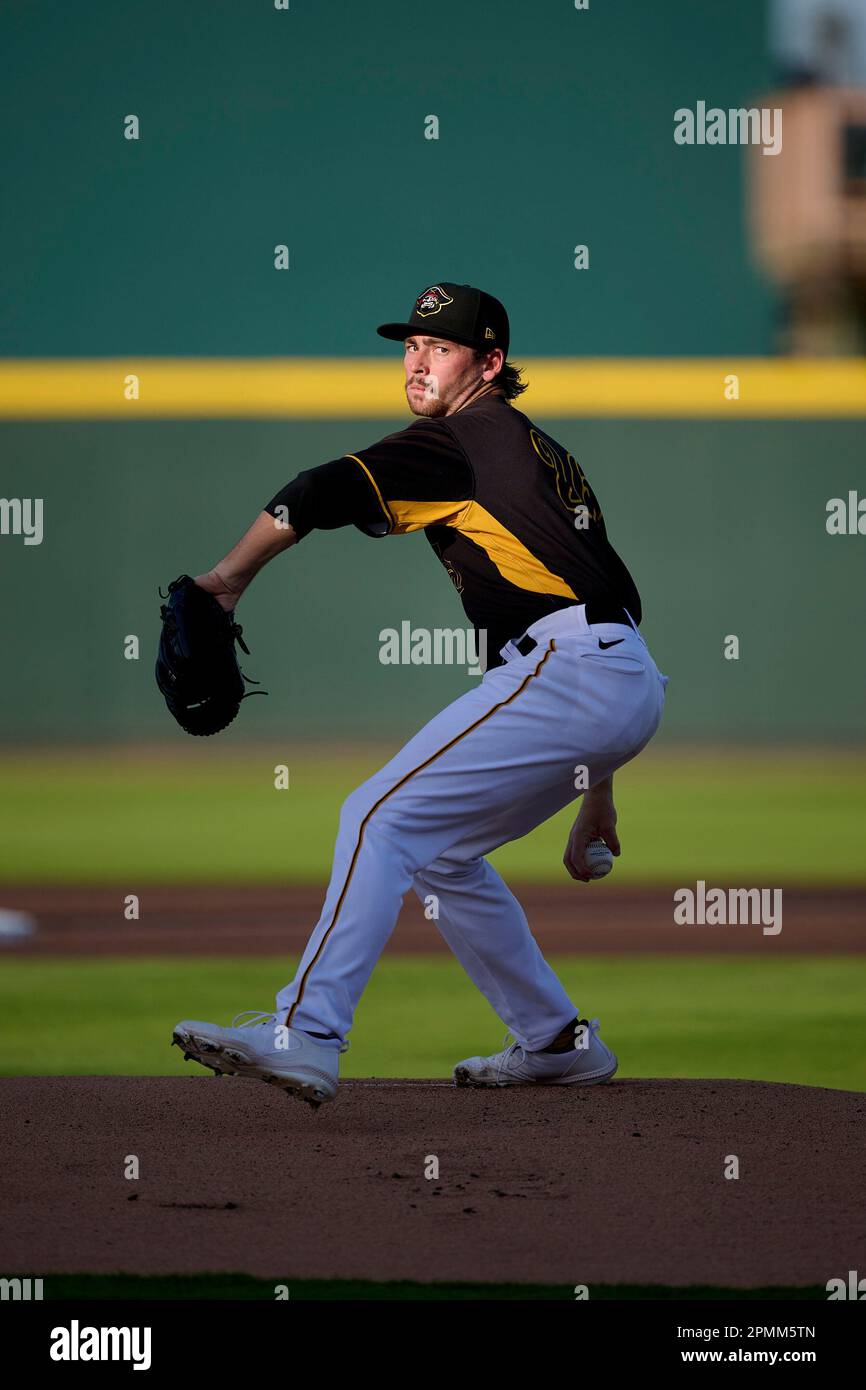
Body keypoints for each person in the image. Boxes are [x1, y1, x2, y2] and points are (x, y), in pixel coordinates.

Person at [172, 281, 669, 1107]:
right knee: (439, 851)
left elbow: (316, 489)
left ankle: (309, 1033)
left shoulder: (460, 440)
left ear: (490, 362)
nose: (417, 360)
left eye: (439, 347)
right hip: (612, 676)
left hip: (577, 668)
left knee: (375, 815)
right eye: (410, 346)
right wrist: (597, 793)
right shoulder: (539, 454)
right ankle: (554, 1040)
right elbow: (603, 599)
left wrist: (225, 581)